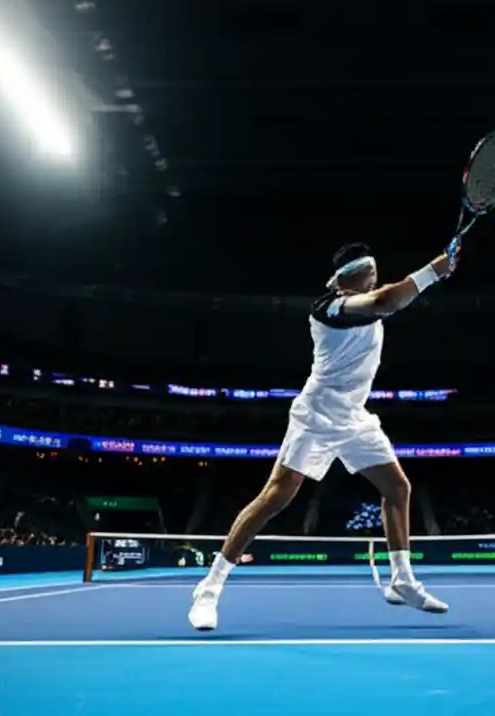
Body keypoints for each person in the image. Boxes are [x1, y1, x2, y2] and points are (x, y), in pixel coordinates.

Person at [188, 241, 459, 630]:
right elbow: (386, 301)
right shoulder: (329, 307)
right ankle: (209, 589)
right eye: (368, 270)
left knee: (397, 488)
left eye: (375, 270)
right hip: (316, 415)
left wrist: (434, 272)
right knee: (275, 497)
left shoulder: (367, 304)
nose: (374, 274)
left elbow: (386, 300)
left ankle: (402, 579)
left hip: (354, 418)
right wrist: (432, 271)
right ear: (346, 276)